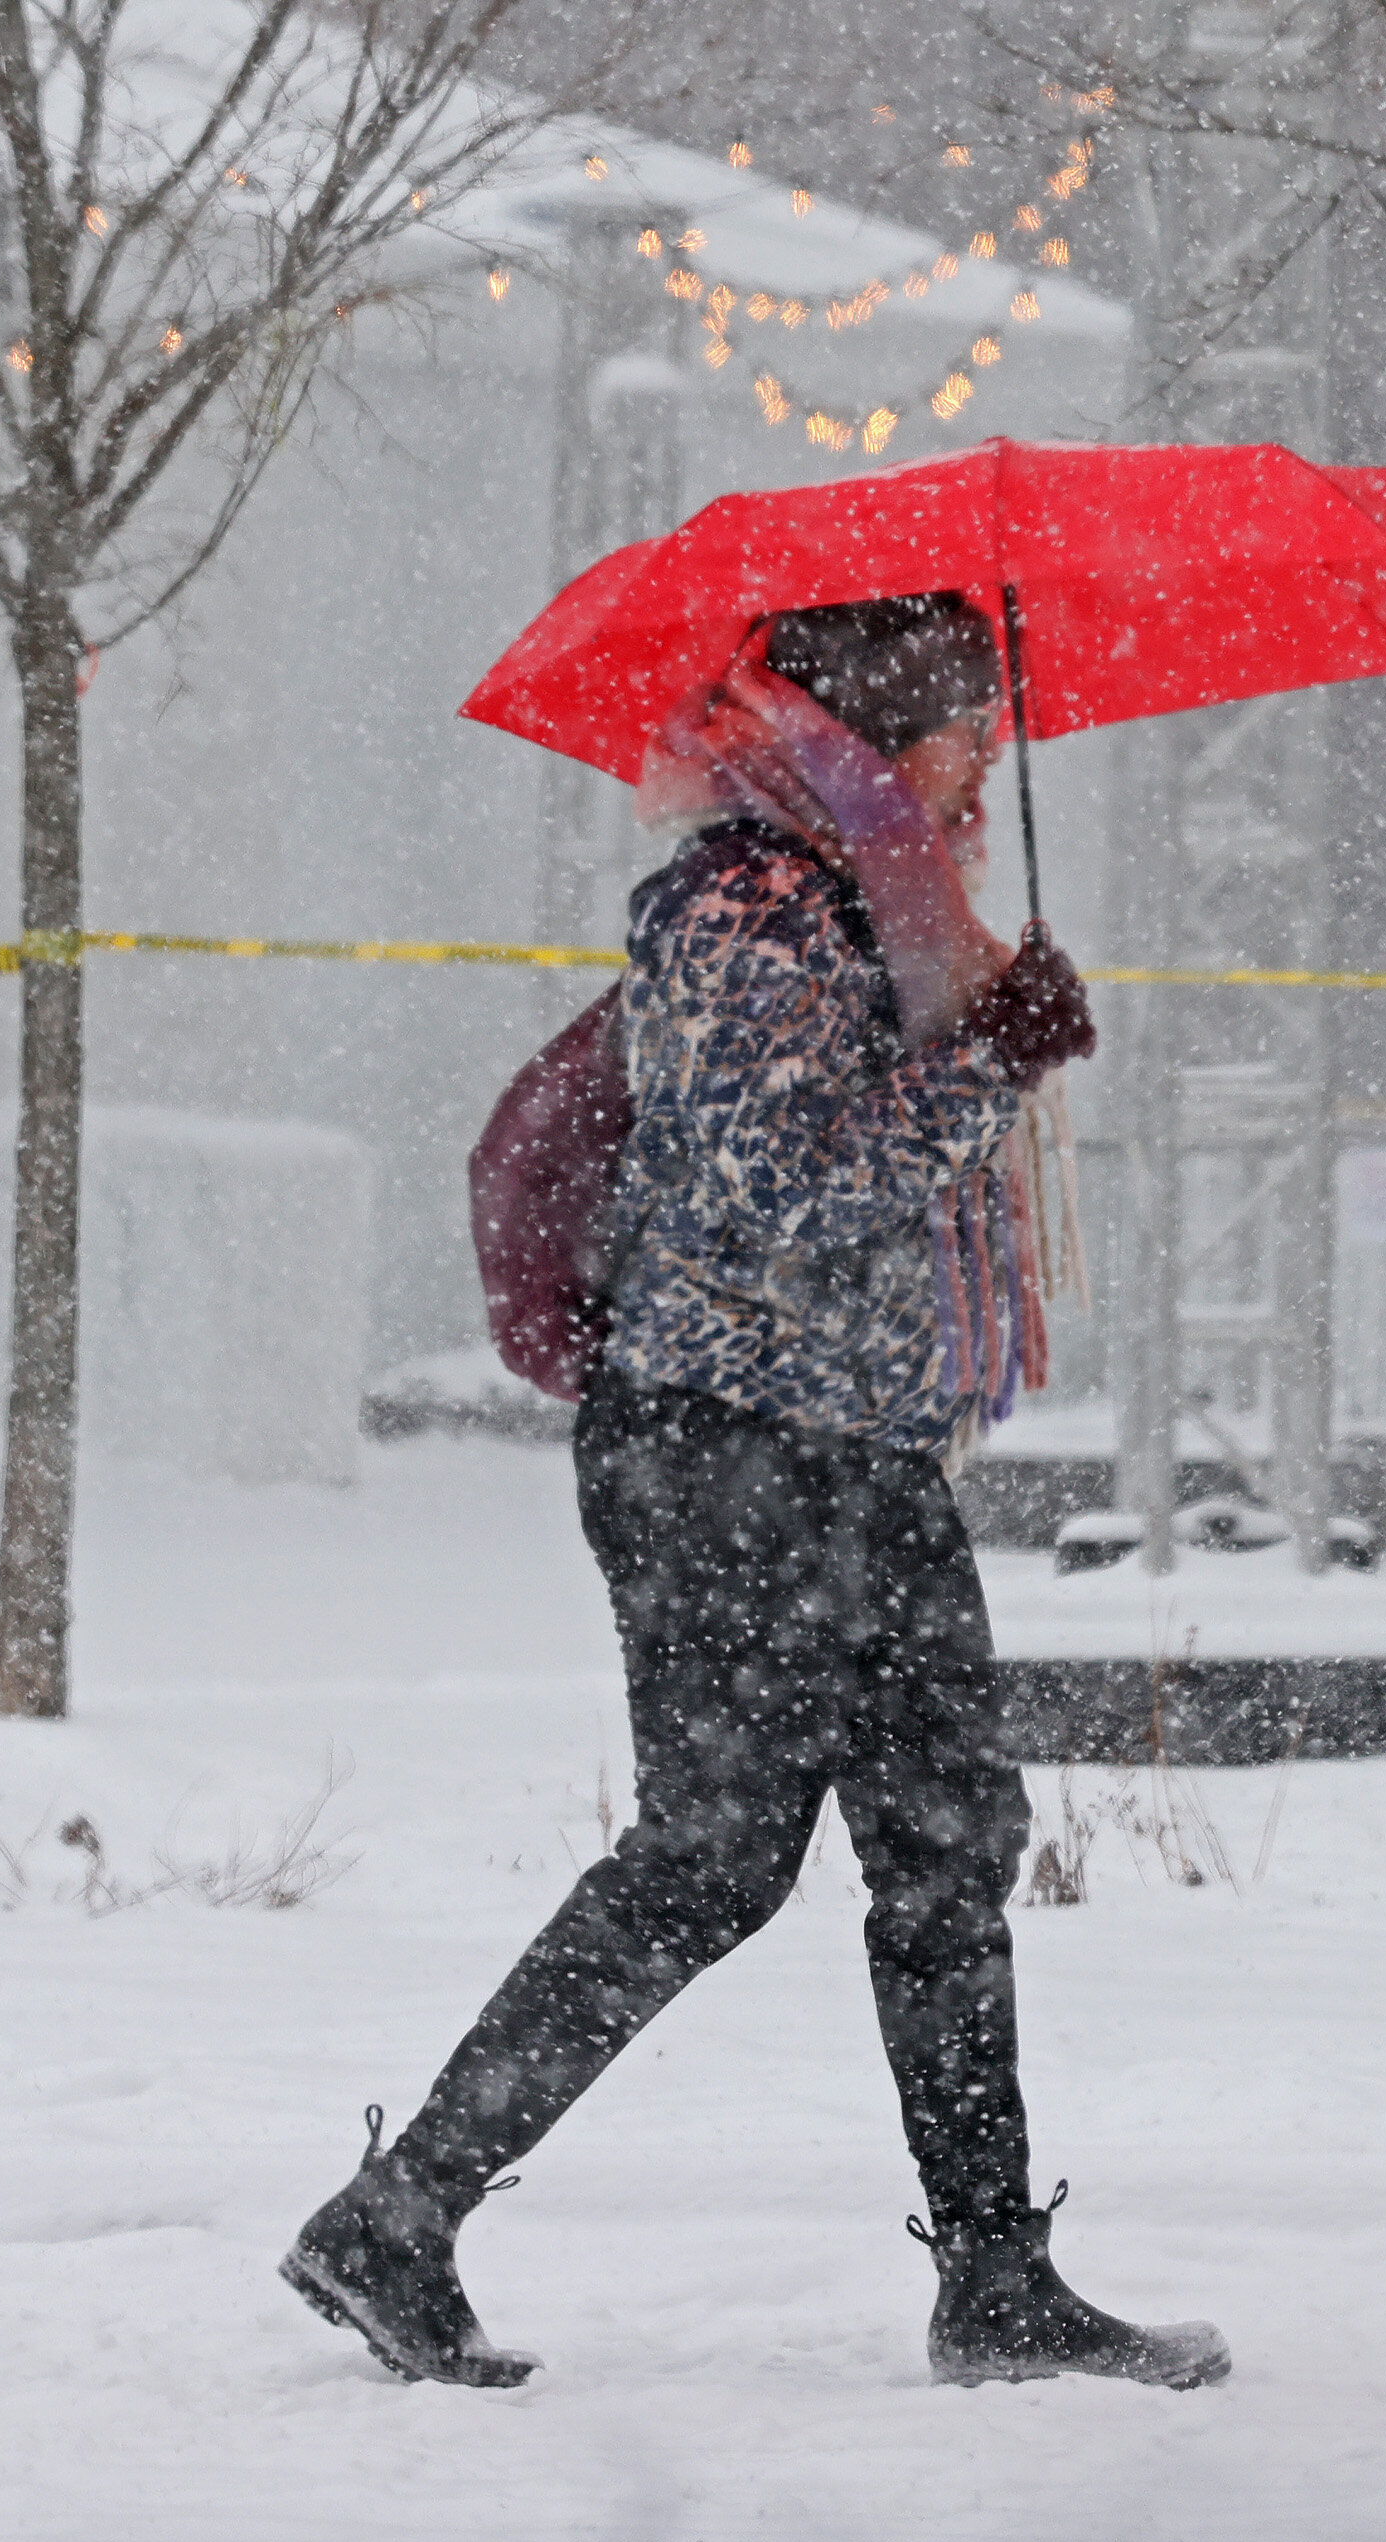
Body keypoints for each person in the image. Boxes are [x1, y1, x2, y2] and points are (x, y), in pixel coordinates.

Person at [281, 592, 1227, 2393]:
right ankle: (398, 2216)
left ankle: (997, 2279)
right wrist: (992, 1060)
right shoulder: (737, 904)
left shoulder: (887, 901)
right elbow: (781, 1189)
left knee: (948, 1850)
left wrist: (985, 1026)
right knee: (714, 1858)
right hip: (719, 1453)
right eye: (966, 717)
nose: (991, 751)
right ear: (876, 725)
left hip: (862, 1454)